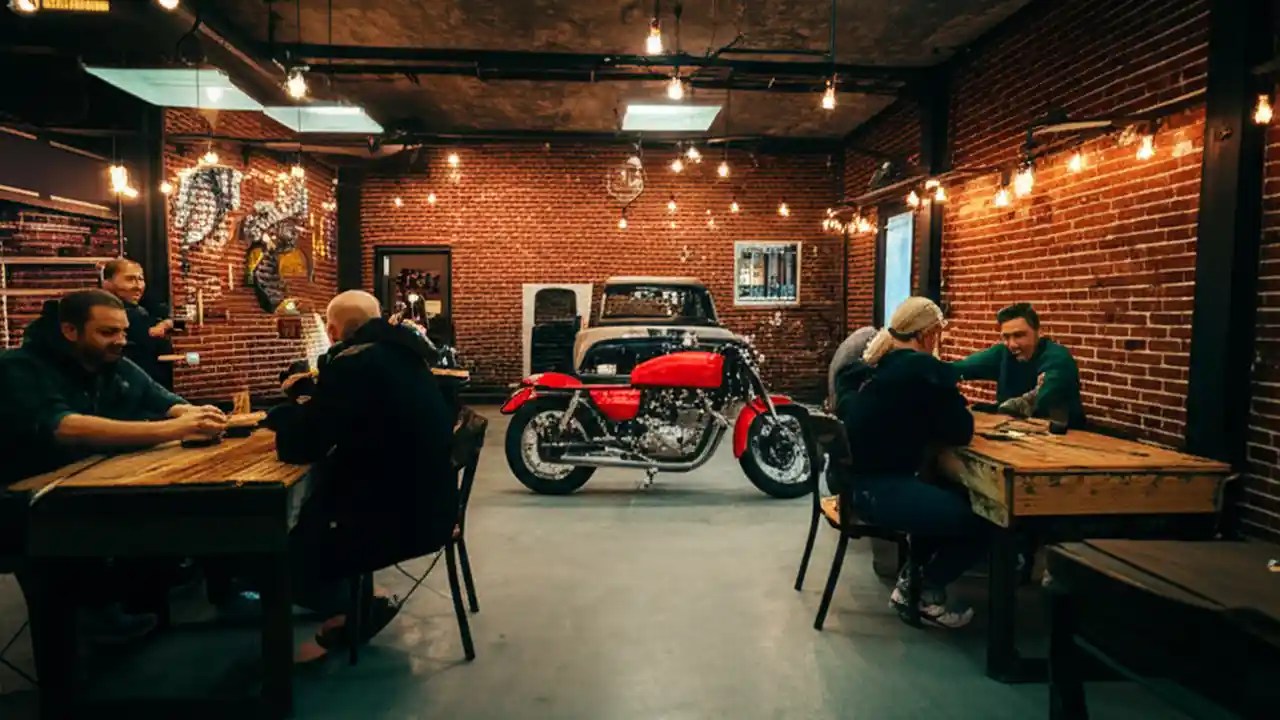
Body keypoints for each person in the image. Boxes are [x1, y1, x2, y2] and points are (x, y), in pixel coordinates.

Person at [0, 290, 226, 642]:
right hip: (26, 503)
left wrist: (192, 413)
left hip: (91, 488)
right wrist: (173, 428)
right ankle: (78, 634)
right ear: (70, 331)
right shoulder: (19, 366)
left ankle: (125, 605)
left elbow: (162, 399)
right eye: (108, 332)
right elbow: (65, 427)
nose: (120, 341)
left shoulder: (111, 362)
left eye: (122, 331)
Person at [264, 290, 460, 652]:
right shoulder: (408, 355)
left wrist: (286, 413)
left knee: (277, 554)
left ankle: (350, 608)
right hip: (434, 507)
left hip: (397, 520)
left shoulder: (353, 364)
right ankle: (354, 598)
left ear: (333, 332)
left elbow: (302, 446)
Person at [834, 297, 985, 628]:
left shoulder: (872, 368)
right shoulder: (922, 371)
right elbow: (962, 431)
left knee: (944, 494)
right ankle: (923, 590)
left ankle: (914, 581)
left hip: (855, 490)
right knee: (986, 521)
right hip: (884, 492)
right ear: (929, 334)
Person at [951, 302, 1085, 428]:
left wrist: (1020, 403)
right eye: (1006, 337)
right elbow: (957, 369)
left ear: (1040, 332)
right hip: (1013, 432)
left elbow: (1048, 394)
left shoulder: (1057, 357)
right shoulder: (1002, 353)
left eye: (1019, 335)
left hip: (1063, 437)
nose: (1012, 344)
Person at [100, 258, 176, 390]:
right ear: (107, 284)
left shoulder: (140, 310)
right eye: (130, 279)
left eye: (140, 279)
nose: (138, 286)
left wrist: (167, 324)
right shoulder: (106, 313)